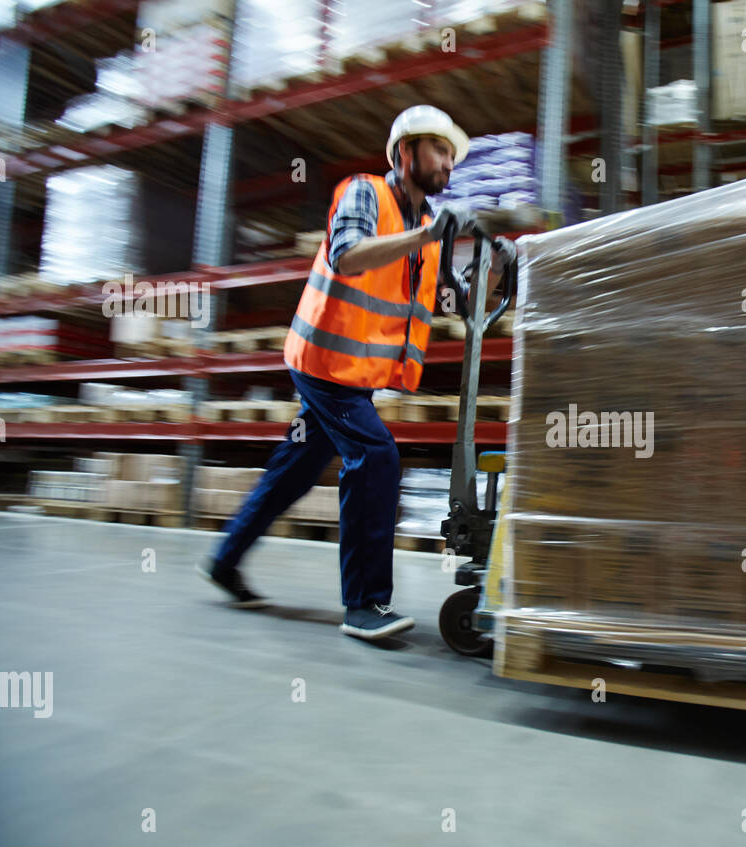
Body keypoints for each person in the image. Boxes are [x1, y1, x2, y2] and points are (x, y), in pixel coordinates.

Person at [197, 105, 515, 640]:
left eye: (451, 154)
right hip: (323, 362)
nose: (447, 162)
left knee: (292, 472)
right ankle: (364, 605)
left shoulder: (424, 226)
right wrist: (429, 237)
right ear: (404, 152)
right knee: (375, 457)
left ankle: (224, 560)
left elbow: (452, 302)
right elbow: (347, 256)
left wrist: (494, 266)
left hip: (355, 373)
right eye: (437, 148)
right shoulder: (365, 193)